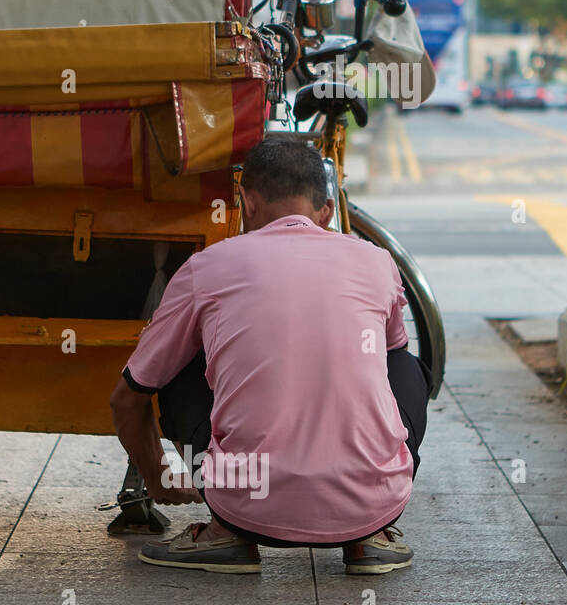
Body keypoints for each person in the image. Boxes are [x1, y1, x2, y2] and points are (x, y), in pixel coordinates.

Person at [109, 135, 430, 575]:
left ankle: (225, 535)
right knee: (403, 363)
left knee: (177, 364)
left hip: (244, 502)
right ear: (327, 212)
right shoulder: (377, 262)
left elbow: (129, 395)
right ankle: (369, 538)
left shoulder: (207, 267)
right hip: (373, 504)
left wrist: (153, 474)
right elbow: (391, 363)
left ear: (247, 202)